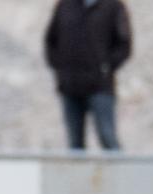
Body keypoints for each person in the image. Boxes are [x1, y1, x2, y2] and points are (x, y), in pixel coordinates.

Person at [44, 0, 133, 152]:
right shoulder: (65, 5)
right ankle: (76, 177)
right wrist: (61, 69)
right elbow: (51, 40)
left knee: (107, 137)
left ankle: (120, 175)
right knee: (75, 145)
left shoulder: (112, 6)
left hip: (100, 86)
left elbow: (124, 44)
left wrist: (106, 67)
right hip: (70, 87)